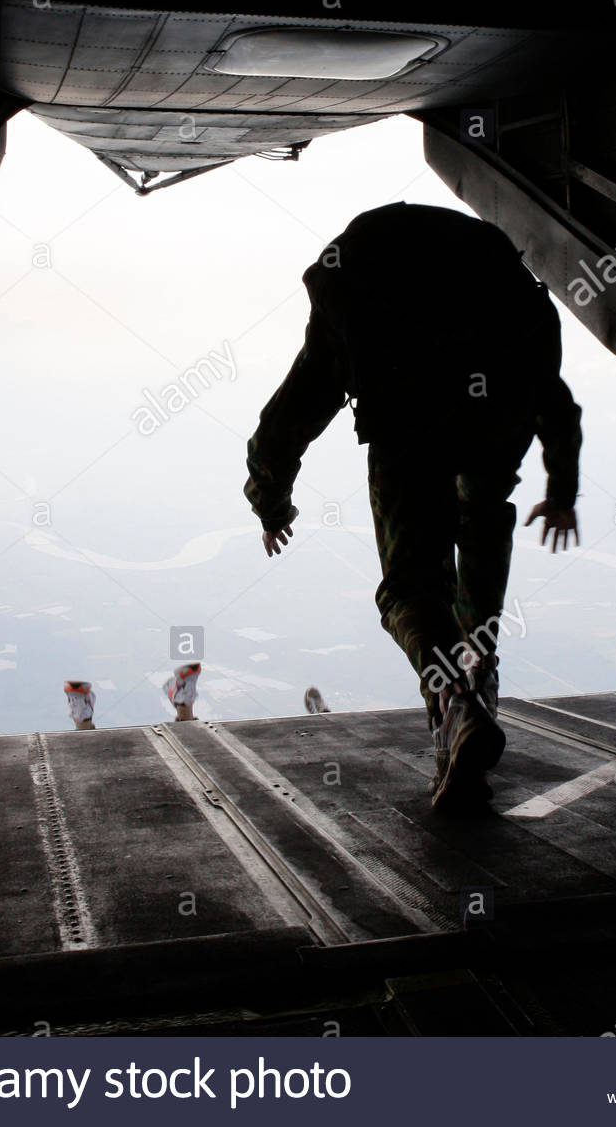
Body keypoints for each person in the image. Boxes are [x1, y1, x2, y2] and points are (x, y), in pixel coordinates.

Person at [244, 202, 582, 811]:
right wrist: (561, 490)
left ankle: (456, 701)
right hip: (496, 414)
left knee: (412, 591)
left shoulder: (353, 294)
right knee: (480, 518)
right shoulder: (495, 282)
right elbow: (552, 395)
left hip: (408, 420)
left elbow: (292, 414)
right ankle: (474, 677)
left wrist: (270, 501)